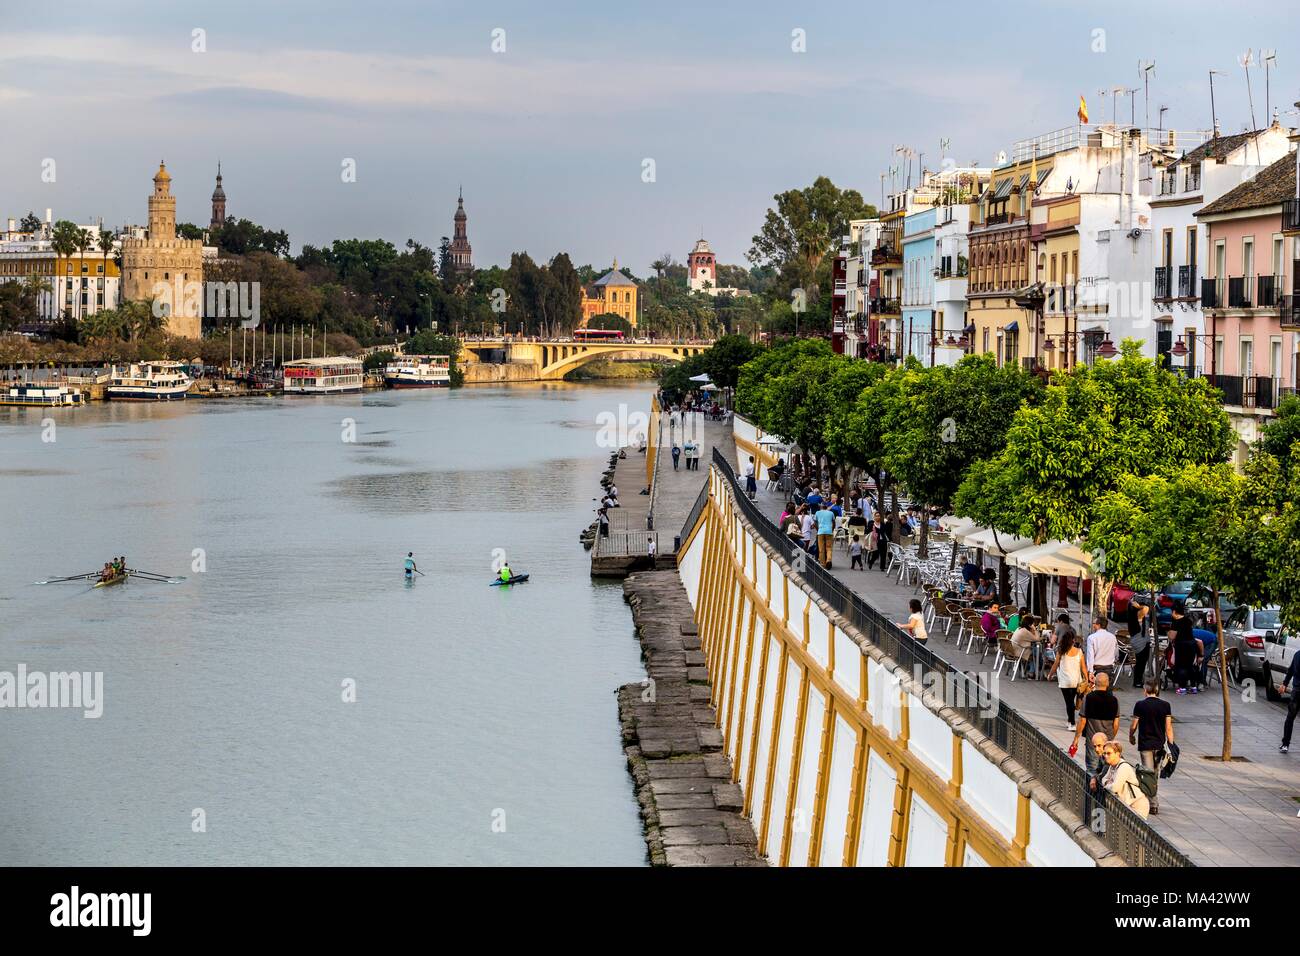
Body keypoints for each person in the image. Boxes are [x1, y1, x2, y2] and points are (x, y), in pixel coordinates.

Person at [1129, 681, 1173, 815]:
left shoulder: (1140, 705)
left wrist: (1131, 735)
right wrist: (1171, 744)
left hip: (1145, 744)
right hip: (1159, 745)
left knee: (1147, 774)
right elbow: (1168, 727)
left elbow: (1134, 724)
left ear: (1145, 690)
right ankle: (1152, 801)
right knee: (1155, 774)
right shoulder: (1165, 705)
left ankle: (1152, 803)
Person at [1074, 672, 1119, 781]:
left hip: (1092, 741)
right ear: (1107, 683)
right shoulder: (1114, 700)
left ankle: (1090, 793)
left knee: (1091, 769)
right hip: (1107, 741)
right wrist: (1112, 739)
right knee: (1106, 769)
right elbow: (1116, 724)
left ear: (1094, 682)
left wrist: (1076, 739)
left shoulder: (1089, 698)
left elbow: (1082, 721)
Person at [1047, 629, 1086, 729]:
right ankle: (1070, 721)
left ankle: (1072, 723)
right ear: (1073, 641)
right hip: (1076, 681)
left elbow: (1055, 665)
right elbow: (1083, 667)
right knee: (1071, 701)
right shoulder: (1079, 651)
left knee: (1069, 702)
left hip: (1065, 682)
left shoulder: (1061, 651)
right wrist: (1086, 679)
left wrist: (1050, 675)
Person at [1102, 741, 1150, 819]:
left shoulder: (1123, 767)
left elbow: (1114, 788)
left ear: (1117, 753)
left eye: (1109, 753)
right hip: (1127, 806)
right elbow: (1103, 779)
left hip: (1137, 805)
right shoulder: (1112, 766)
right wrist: (1108, 782)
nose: (1106, 756)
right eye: (1104, 753)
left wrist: (1107, 785)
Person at [1168, 603, 1202, 695]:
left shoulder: (1176, 622)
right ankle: (1193, 686)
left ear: (1174, 612)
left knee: (1181, 667)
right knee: (1190, 666)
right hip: (1191, 645)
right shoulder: (1188, 620)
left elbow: (1172, 636)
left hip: (1182, 646)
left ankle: (1182, 688)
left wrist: (1169, 633)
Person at [1085, 617, 1119, 685]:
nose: (1093, 625)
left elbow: (1090, 656)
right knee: (1108, 692)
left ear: (1098, 625)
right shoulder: (1112, 637)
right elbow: (1116, 653)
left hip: (1097, 669)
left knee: (1096, 692)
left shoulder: (1092, 638)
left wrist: (1090, 672)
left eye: (1094, 623)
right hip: (1109, 668)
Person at [1126, 600, 1152, 688]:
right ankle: (1137, 681)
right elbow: (1146, 608)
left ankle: (1138, 680)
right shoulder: (1137, 615)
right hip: (1140, 641)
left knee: (1141, 662)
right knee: (1141, 662)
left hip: (1140, 640)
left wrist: (1137, 606)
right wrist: (1139, 606)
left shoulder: (1132, 616)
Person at [1279, 651, 1300, 753]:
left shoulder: (1297, 654)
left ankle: (1285, 744)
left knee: (1290, 718)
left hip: (1296, 691)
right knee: (1290, 718)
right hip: (1297, 692)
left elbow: (1291, 670)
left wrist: (1284, 684)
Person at [1192, 624, 1218, 689]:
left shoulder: (1188, 634)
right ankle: (1198, 680)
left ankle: (1202, 683)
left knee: (1203, 661)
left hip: (1211, 641)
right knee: (1197, 660)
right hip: (1205, 642)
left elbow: (1199, 642)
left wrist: (1201, 655)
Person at [815, 500, 835, 569]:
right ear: (827, 507)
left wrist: (818, 529)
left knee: (821, 549)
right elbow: (834, 523)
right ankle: (828, 560)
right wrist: (831, 530)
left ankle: (823, 564)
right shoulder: (831, 513)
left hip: (820, 531)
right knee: (829, 548)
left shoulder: (817, 513)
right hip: (829, 531)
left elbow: (815, 523)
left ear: (821, 506)